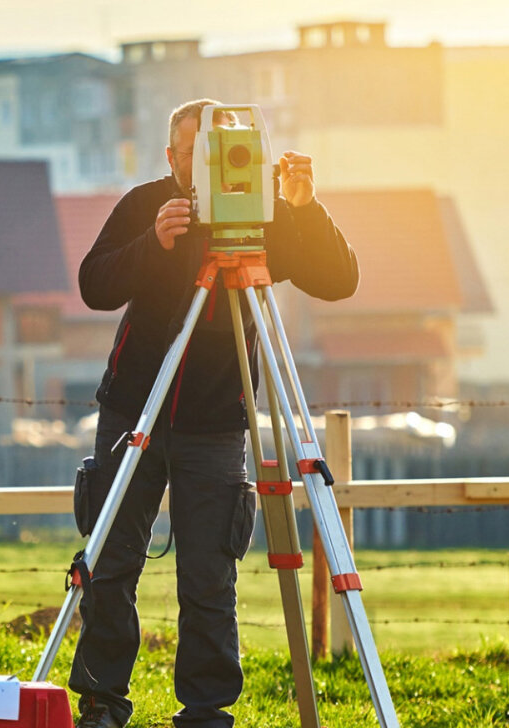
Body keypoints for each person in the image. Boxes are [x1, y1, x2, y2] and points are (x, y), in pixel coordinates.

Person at [70, 99, 359, 728]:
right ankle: (101, 701)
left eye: (216, 151)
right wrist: (153, 243)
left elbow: (339, 280)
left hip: (217, 421)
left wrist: (305, 207)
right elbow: (94, 285)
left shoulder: (260, 213)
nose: (200, 164)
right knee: (112, 561)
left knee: (209, 576)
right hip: (132, 411)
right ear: (171, 156)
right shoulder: (145, 205)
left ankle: (204, 712)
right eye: (188, 152)